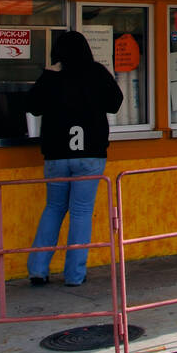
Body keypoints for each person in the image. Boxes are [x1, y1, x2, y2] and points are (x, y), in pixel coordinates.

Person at [26, 31, 123, 286]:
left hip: (57, 154)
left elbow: (32, 106)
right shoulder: (97, 72)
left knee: (53, 208)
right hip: (90, 153)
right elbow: (115, 103)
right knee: (81, 212)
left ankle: (38, 270)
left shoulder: (52, 76)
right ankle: (74, 275)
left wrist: (49, 73)